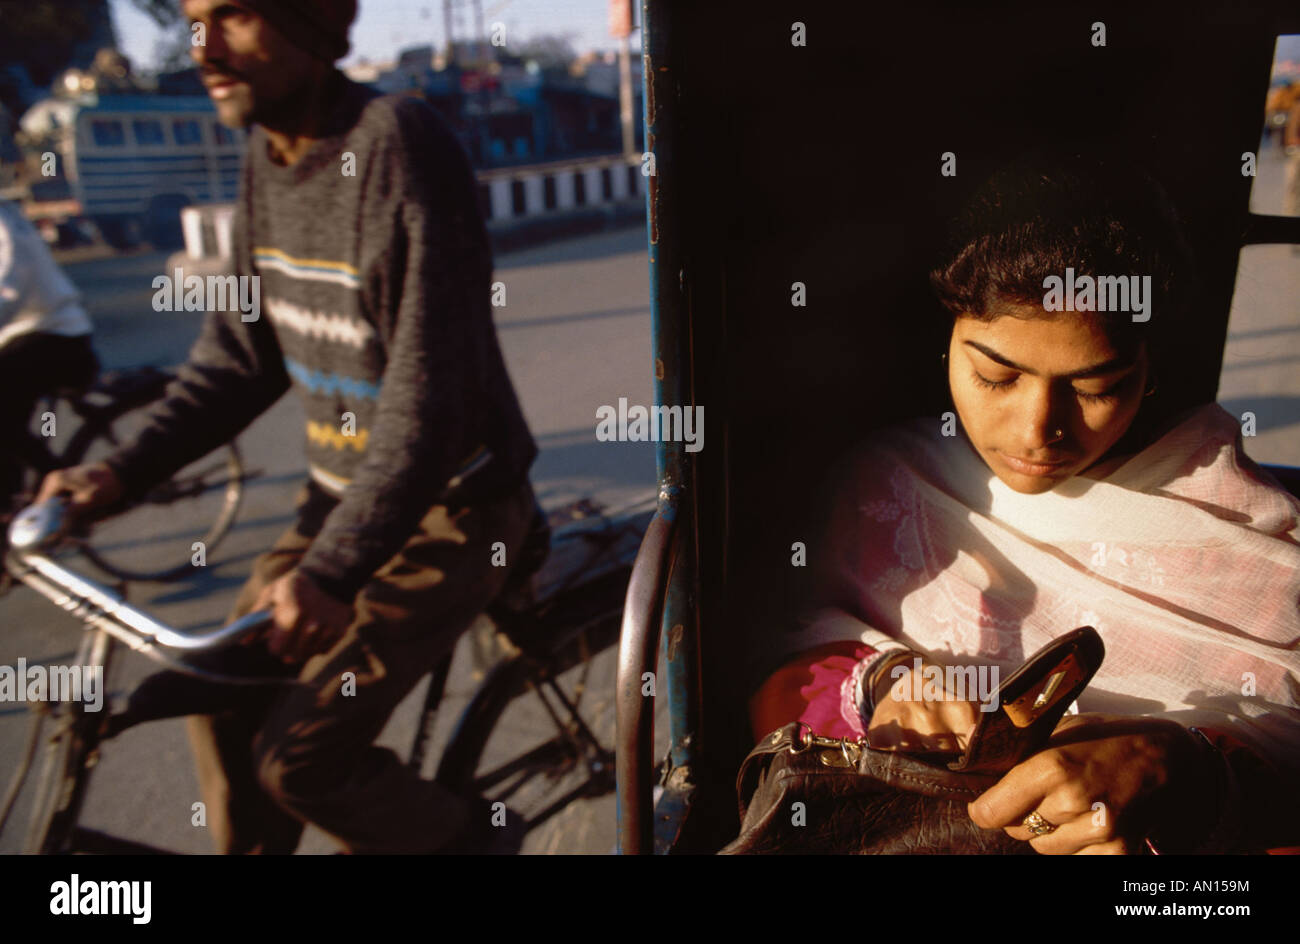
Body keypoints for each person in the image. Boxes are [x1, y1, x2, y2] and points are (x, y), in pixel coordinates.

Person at [38, 0, 539, 854]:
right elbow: (236, 359)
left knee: (300, 758)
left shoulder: (398, 143)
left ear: (309, 23)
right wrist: (113, 476)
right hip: (339, 503)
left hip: (456, 511)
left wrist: (335, 572)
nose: (202, 48)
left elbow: (428, 403)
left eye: (231, 15)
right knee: (216, 690)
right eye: (192, 19)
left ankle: (477, 845)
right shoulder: (264, 159)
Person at [748, 155, 1300, 854]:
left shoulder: (1249, 541)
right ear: (947, 340)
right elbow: (786, 661)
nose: (1038, 432)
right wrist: (885, 684)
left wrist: (1188, 772)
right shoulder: (890, 486)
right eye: (995, 376)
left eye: (1096, 388)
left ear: (1150, 365)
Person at [0, 197, 98, 510]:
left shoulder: (6, 225)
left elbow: (10, 286)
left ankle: (61, 489)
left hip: (57, 335)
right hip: (21, 335)